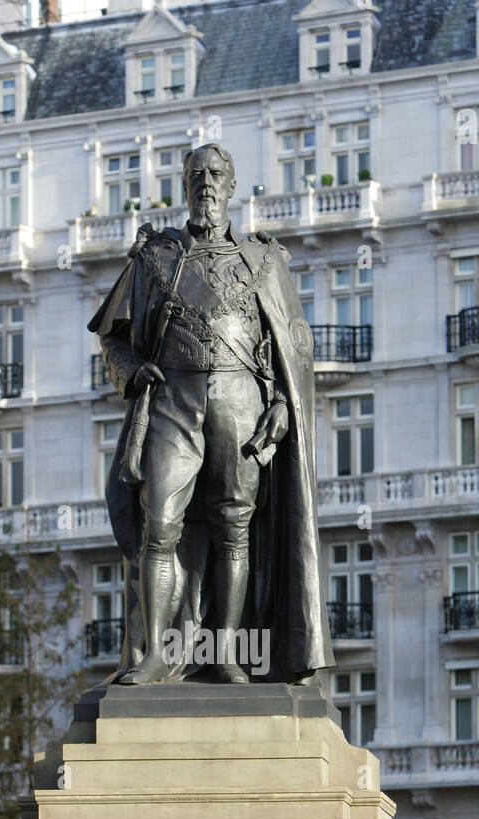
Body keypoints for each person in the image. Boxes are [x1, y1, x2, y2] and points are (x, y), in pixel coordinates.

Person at [89, 142, 333, 686]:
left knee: (234, 529)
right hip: (173, 398)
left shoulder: (265, 260)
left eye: (216, 174)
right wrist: (132, 371)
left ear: (232, 185)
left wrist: (283, 409)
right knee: (161, 524)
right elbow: (113, 336)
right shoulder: (153, 258)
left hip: (242, 403)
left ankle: (225, 653)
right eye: (197, 174)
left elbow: (293, 346)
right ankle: (156, 654)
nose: (206, 183)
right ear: (185, 184)